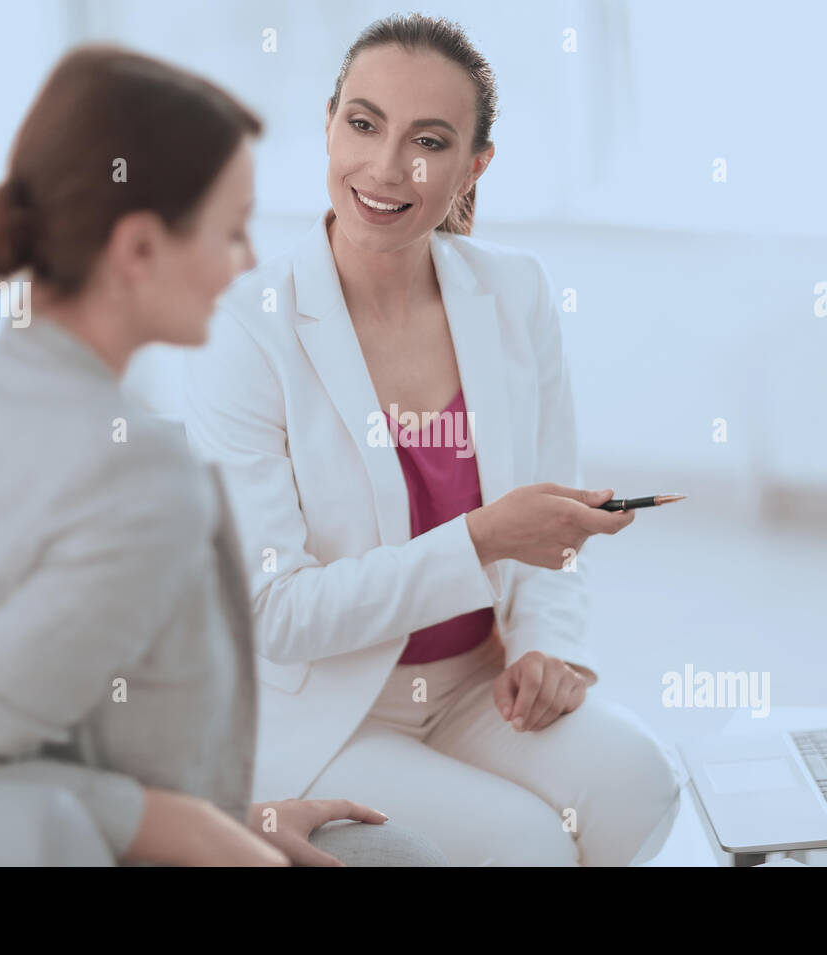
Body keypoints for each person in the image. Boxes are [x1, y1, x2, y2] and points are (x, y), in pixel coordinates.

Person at [0, 45, 443, 867]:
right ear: (139, 249)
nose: (246, 261)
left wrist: (228, 815)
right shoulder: (137, 474)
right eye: (230, 230)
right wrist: (183, 828)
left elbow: (45, 730)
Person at [182, 14, 684, 866]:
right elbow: (277, 614)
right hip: (333, 707)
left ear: (474, 165)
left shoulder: (515, 292)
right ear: (330, 121)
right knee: (530, 849)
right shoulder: (248, 328)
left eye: (429, 140)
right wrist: (481, 539)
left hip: (476, 682)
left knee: (641, 786)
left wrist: (546, 646)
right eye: (364, 124)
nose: (384, 169)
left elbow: (553, 522)